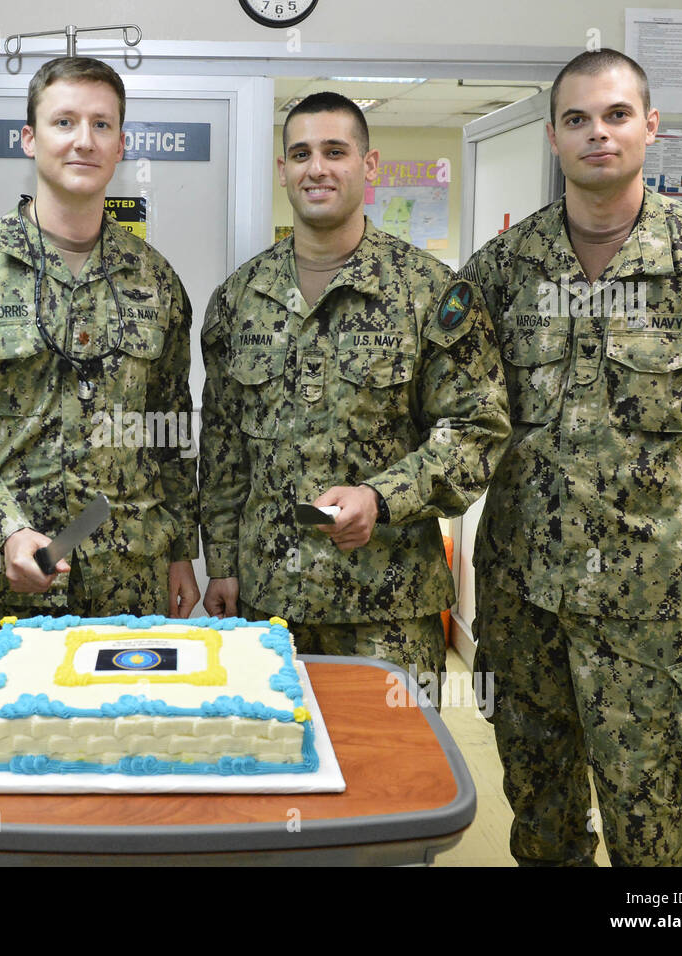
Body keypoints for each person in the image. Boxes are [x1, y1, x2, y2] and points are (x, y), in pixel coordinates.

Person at [463, 49, 682, 866]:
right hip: (522, 595)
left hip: (649, 613)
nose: (596, 134)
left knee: (653, 837)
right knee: (540, 824)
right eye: (576, 119)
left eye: (614, 115)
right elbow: (466, 417)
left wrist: (669, 510)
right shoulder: (503, 270)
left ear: (649, 127)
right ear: (553, 138)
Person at [199, 92, 511, 704]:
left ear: (369, 167)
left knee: (395, 788)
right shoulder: (239, 299)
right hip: (270, 603)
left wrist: (381, 497)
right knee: (276, 777)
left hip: (388, 610)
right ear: (283, 170)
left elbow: (477, 428)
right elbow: (224, 446)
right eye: (301, 154)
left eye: (335, 151)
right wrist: (224, 563)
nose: (317, 168)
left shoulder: (430, 293)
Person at [0, 57, 200, 652]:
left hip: (128, 586)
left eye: (102, 125)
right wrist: (5, 530)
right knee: (14, 740)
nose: (84, 140)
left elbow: (171, 433)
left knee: (126, 739)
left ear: (120, 146)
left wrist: (180, 552)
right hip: (6, 591)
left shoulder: (156, 282)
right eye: (64, 122)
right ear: (31, 140)